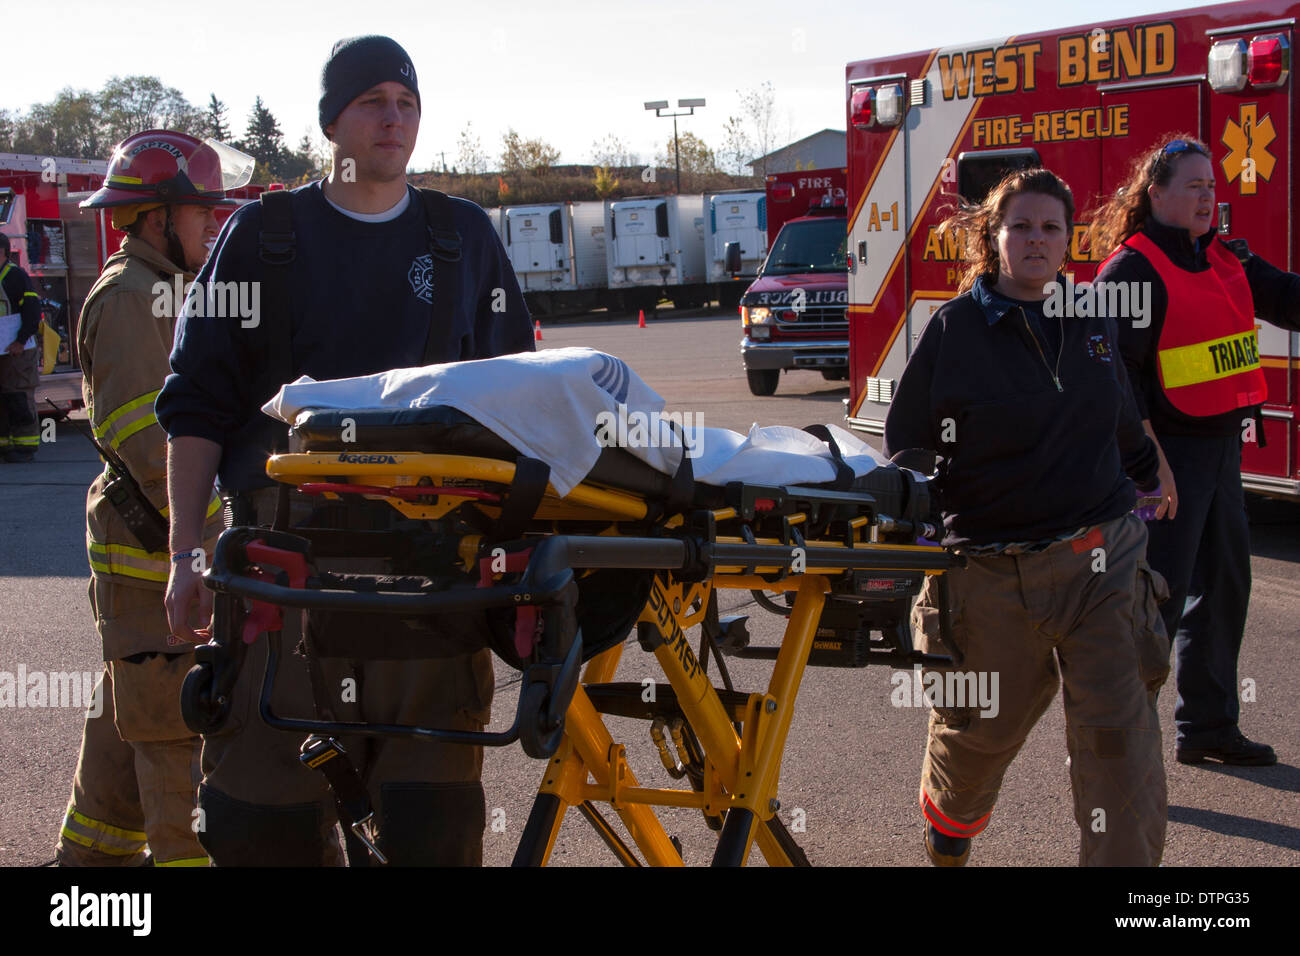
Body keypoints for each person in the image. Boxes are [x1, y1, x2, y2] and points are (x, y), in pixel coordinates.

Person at [156, 35, 534, 866]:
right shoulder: (263, 237)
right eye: (372, 102)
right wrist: (185, 552)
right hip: (280, 590)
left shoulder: (463, 238)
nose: (393, 118)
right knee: (264, 832)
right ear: (333, 122)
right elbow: (195, 404)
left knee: (430, 835)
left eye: (407, 102)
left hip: (431, 593)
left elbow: (522, 399)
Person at [884, 168, 1170, 867]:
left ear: (1068, 239)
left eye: (1050, 227)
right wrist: (910, 522)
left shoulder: (1090, 316)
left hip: (1103, 560)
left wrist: (1150, 468)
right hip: (989, 575)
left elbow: (1120, 414)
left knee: (1120, 748)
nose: (1036, 240)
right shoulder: (953, 330)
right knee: (975, 741)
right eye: (1021, 226)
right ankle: (948, 832)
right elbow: (906, 446)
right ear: (994, 235)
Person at [55, 130, 239, 866]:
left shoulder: (162, 287)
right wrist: (220, 537)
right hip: (152, 573)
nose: (213, 224)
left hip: (141, 584)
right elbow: (151, 444)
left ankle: (85, 884)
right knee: (176, 763)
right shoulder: (133, 299)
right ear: (159, 215)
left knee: (119, 758)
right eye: (201, 213)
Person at [1092, 135, 1300, 767]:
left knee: (1224, 587)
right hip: (1163, 460)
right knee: (1154, 597)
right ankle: (1122, 742)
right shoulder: (1129, 270)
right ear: (1156, 195)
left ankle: (1208, 725)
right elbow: (1114, 378)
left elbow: (1289, 299)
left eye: (1212, 186)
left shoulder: (1226, 257)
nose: (1208, 196)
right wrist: (1149, 463)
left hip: (1219, 450)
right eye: (1194, 186)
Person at [0, 232, 42, 462]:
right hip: (1, 350)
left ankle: (25, 448)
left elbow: (32, 311)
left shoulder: (16, 276)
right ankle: (5, 446)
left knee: (18, 397)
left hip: (18, 351)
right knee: (3, 400)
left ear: (4, 252)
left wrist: (20, 341)